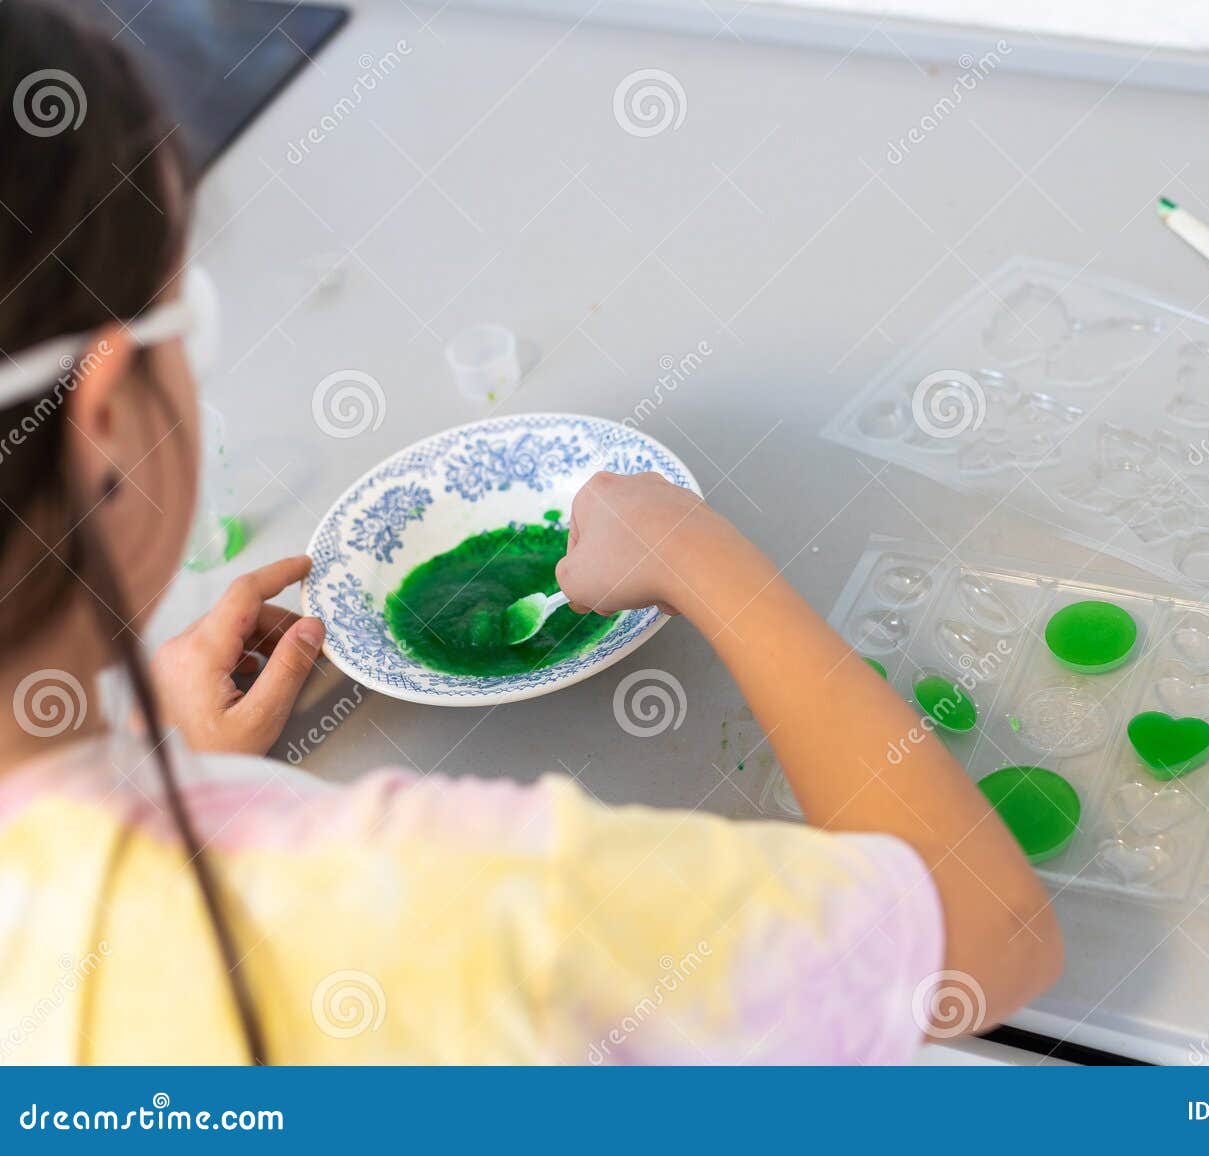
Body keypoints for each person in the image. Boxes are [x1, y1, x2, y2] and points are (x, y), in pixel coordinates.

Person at [0, 0, 1060, 1064]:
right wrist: (704, 557)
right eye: (190, 320)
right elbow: (981, 941)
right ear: (105, 420)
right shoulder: (474, 905)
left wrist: (171, 762)